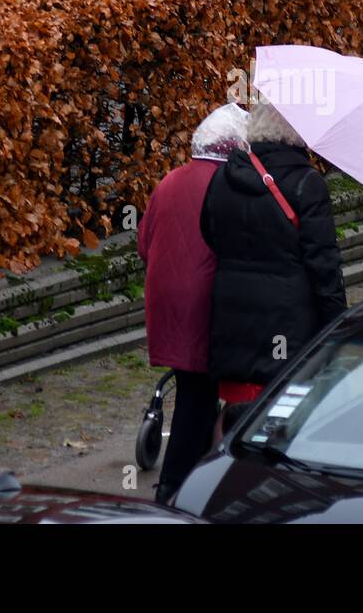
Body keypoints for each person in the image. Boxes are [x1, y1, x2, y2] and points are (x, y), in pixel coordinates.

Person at [200, 98, 347, 413]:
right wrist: (338, 324)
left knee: (235, 410)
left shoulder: (223, 177)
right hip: (288, 320)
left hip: (232, 313)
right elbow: (324, 266)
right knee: (283, 410)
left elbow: (209, 234)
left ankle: (222, 462)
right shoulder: (308, 184)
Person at [137, 102, 249, 504]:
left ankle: (196, 480)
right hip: (205, 304)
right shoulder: (231, 186)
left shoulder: (169, 181)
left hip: (165, 300)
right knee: (197, 397)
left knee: (193, 387)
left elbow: (144, 244)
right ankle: (173, 489)